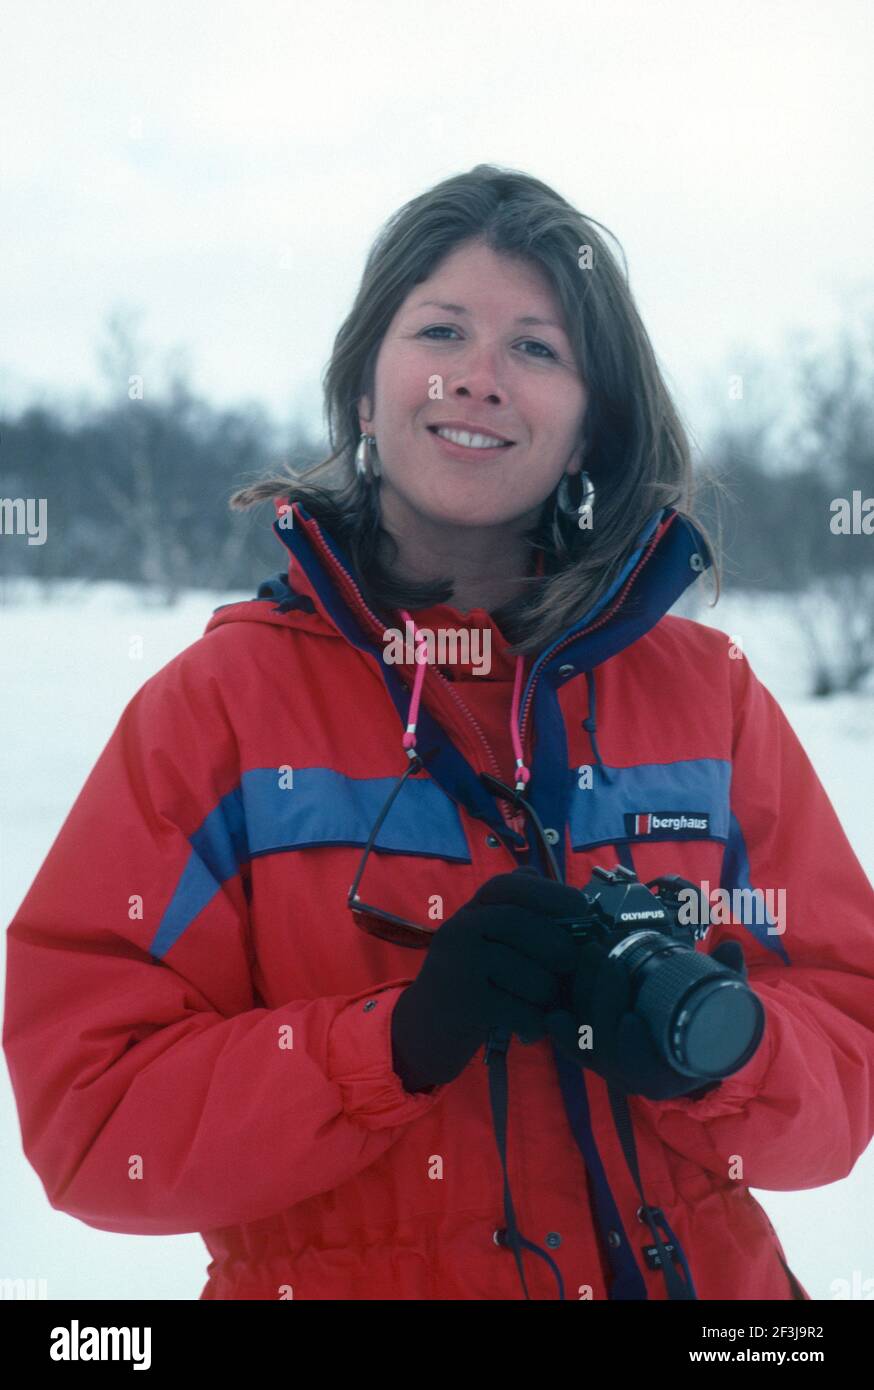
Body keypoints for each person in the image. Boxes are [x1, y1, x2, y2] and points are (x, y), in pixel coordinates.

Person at [5, 165, 874, 1302]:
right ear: (365, 390)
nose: (477, 378)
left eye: (536, 349)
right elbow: (92, 1120)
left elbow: (847, 1060)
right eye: (441, 330)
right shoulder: (214, 710)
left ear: (588, 427)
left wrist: (725, 1047)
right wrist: (391, 1045)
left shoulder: (704, 694)